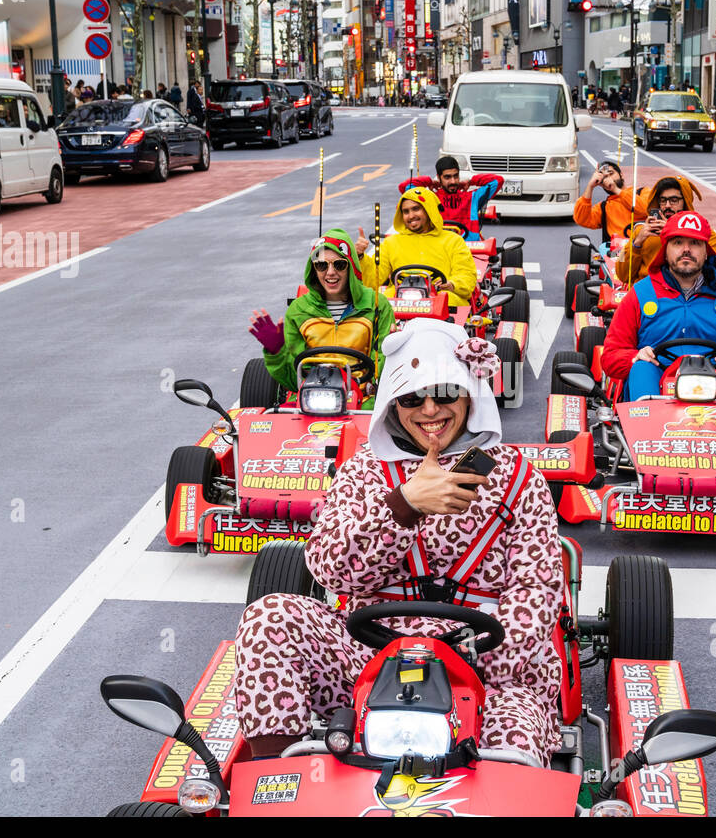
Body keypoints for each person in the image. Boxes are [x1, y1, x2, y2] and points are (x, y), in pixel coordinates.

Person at [234, 319, 565, 765]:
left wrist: (455, 670)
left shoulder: (519, 478)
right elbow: (331, 570)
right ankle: (278, 779)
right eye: (412, 397)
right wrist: (403, 506)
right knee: (269, 615)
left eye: (445, 393)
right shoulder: (363, 470)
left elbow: (535, 595)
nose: (430, 410)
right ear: (393, 402)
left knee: (513, 744)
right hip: (370, 655)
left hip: (488, 671)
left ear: (469, 394)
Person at [602, 211, 716, 401]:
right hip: (657, 376)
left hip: (714, 376)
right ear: (665, 249)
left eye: (694, 243)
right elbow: (610, 356)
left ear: (706, 252)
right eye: (678, 242)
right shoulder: (639, 294)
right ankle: (642, 427)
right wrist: (635, 356)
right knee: (641, 369)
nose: (686, 249)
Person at [248, 229, 394, 400]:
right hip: (308, 399)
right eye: (322, 265)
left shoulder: (377, 304)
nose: (330, 272)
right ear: (314, 268)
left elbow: (383, 370)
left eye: (339, 265)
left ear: (351, 266)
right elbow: (292, 381)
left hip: (363, 401)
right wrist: (276, 352)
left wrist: (393, 351)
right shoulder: (298, 310)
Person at [357, 186, 478, 307]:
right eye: (406, 211)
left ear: (429, 209)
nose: (411, 216)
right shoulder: (391, 242)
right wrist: (360, 256)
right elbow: (372, 279)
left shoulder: (453, 240)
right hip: (399, 298)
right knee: (375, 302)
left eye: (416, 209)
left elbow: (466, 274)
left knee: (449, 300)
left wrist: (452, 284)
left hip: (441, 299)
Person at [618, 175, 716, 285]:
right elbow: (621, 274)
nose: (667, 205)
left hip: (688, 296)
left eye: (674, 200)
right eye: (663, 200)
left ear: (686, 202)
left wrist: (672, 231)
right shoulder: (640, 232)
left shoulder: (706, 234)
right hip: (647, 296)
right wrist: (636, 244)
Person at [398, 155, 503, 240]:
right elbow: (405, 187)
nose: (453, 181)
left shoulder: (472, 197)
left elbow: (497, 181)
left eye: (455, 176)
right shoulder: (430, 198)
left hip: (469, 250)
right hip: (439, 249)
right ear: (439, 177)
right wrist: (429, 181)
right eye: (447, 177)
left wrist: (471, 181)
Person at [573, 161, 647, 245]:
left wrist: (616, 190)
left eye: (611, 174)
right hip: (615, 253)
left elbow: (645, 209)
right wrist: (590, 186)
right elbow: (582, 220)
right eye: (604, 178)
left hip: (642, 248)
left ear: (621, 175)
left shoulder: (642, 192)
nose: (609, 179)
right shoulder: (603, 207)